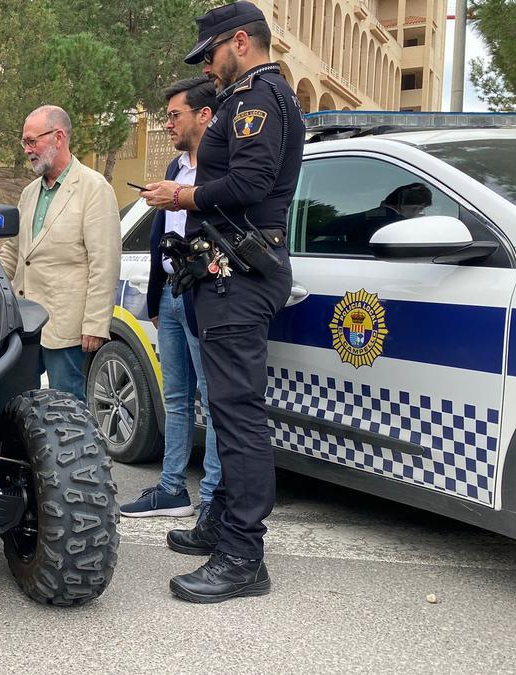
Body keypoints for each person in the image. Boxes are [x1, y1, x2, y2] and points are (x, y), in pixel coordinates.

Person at [141, 2, 304, 603]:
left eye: (210, 54)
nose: (207, 68)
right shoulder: (250, 96)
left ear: (241, 41)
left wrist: (183, 195)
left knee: (238, 415)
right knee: (227, 413)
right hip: (224, 273)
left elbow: (252, 185)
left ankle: (243, 555)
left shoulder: (259, 99)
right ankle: (220, 522)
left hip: (239, 274)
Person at [120, 77, 221, 520]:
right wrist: (157, 299)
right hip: (174, 297)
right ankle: (171, 488)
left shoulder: (221, 172)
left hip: (208, 298)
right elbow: (162, 235)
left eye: (173, 115)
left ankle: (214, 498)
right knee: (176, 398)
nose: (166, 124)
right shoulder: (174, 170)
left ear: (204, 115)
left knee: (216, 402)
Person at [0, 105, 120, 401]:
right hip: (24, 323)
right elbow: (14, 252)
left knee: (66, 409)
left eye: (31, 141)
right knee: (14, 401)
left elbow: (104, 263)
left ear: (58, 137)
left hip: (66, 326)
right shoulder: (29, 193)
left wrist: (95, 324)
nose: (27, 150)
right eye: (24, 143)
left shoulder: (94, 188)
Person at [310, 182, 433, 254]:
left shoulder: (354, 219)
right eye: (420, 209)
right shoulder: (396, 225)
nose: (420, 214)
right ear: (415, 207)